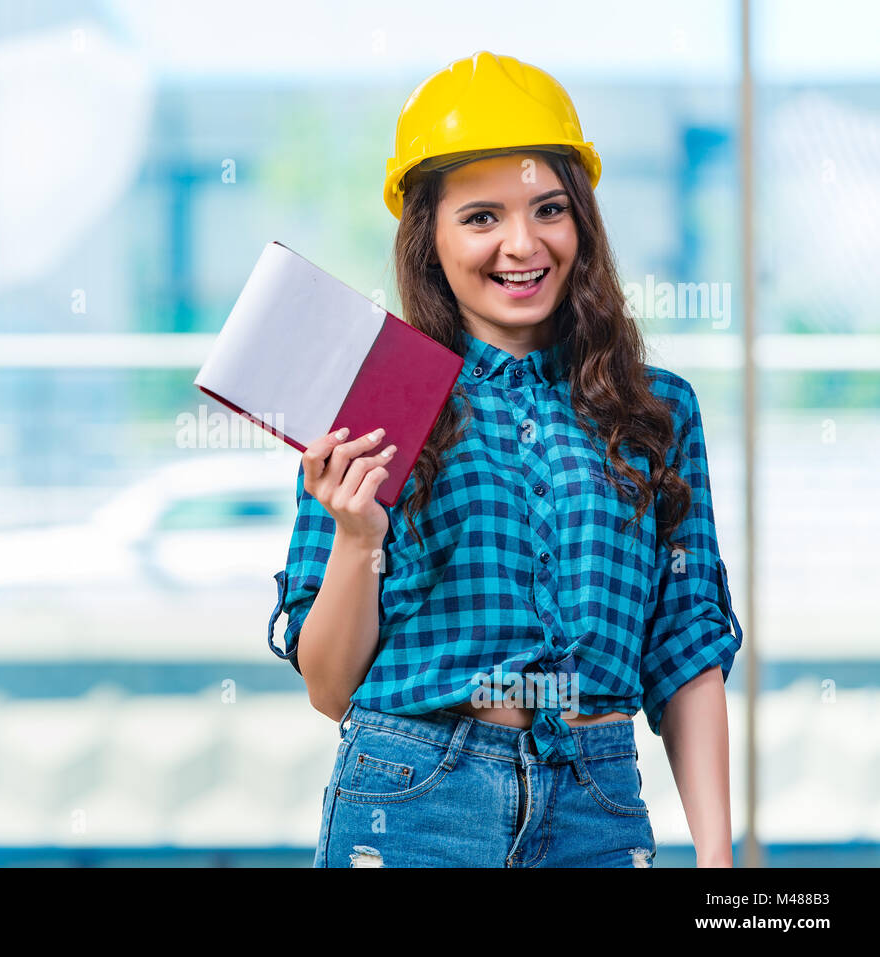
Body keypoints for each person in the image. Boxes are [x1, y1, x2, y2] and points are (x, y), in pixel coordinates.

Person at [267, 51, 743, 868]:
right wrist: (355, 539)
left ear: (582, 221)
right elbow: (329, 688)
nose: (521, 245)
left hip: (597, 806)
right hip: (412, 803)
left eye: (548, 208)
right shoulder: (372, 401)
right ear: (431, 238)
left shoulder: (658, 411)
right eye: (481, 216)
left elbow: (684, 648)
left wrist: (721, 858)